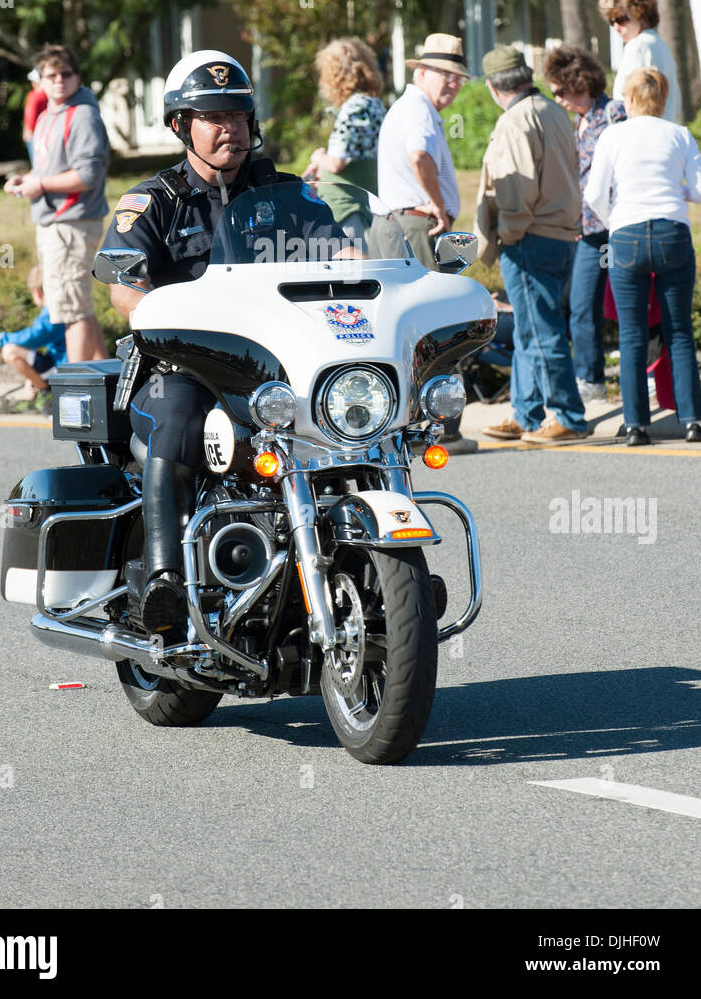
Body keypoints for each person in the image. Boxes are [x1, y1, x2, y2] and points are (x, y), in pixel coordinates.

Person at [100, 49, 343, 635]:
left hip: (277, 366)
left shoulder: (287, 196)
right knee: (179, 422)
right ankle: (162, 581)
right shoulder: (152, 202)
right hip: (182, 366)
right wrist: (161, 314)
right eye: (213, 117)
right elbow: (123, 289)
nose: (229, 127)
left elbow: (344, 252)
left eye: (237, 115)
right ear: (184, 126)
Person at [585, 67, 701, 446]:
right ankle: (691, 420)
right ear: (663, 97)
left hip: (628, 234)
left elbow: (593, 195)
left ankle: (637, 425)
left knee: (633, 335)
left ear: (630, 98)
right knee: (680, 333)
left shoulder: (613, 135)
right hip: (673, 232)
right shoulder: (679, 134)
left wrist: (615, 223)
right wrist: (681, 195)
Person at [475, 45, 587, 445]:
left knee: (541, 331)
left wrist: (511, 233)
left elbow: (515, 188)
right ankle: (525, 414)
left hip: (532, 236)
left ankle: (569, 417)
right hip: (560, 232)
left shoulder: (514, 121)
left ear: (492, 86)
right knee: (531, 328)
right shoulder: (554, 111)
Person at [4, 44, 109, 364]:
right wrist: (27, 180)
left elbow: (88, 174)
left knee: (72, 314)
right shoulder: (49, 115)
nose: (59, 80)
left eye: (67, 74)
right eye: (52, 75)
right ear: (40, 80)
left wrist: (41, 184)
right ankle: (108, 382)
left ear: (78, 77)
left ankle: (76, 390)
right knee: (75, 308)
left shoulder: (83, 115)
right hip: (54, 223)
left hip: (72, 224)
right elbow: (48, 169)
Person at [544, 44, 626, 401]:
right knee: (581, 305)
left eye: (561, 91)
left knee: (626, 305)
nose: (558, 98)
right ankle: (591, 381)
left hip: (615, 226)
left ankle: (644, 379)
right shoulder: (579, 121)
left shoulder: (612, 114)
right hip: (588, 231)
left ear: (581, 83)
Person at [377, 33, 467, 269]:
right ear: (422, 73)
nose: (454, 84)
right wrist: (438, 205)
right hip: (415, 225)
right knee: (433, 302)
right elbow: (419, 157)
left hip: (405, 222)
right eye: (447, 75)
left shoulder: (411, 106)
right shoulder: (419, 109)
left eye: (459, 79)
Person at [302, 37, 386, 240]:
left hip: (348, 210)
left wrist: (318, 157)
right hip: (360, 205)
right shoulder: (373, 104)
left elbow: (336, 163)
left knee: (351, 269)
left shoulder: (355, 107)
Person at [0, 265, 68, 413]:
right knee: (24, 353)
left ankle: (45, 392)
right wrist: (30, 379)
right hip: (58, 362)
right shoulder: (65, 307)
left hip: (59, 368)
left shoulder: (53, 313)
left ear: (37, 293)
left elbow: (30, 338)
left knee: (10, 351)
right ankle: (40, 388)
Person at [598, 0, 681, 123]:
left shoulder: (638, 47)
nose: (616, 27)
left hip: (643, 133)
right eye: (612, 21)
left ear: (639, 13)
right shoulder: (659, 44)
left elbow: (629, 102)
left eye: (621, 19)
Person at [22, 68, 47, 167]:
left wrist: (29, 130)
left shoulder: (34, 96)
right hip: (46, 132)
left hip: (34, 133)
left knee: (37, 164)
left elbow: (30, 114)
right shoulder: (48, 95)